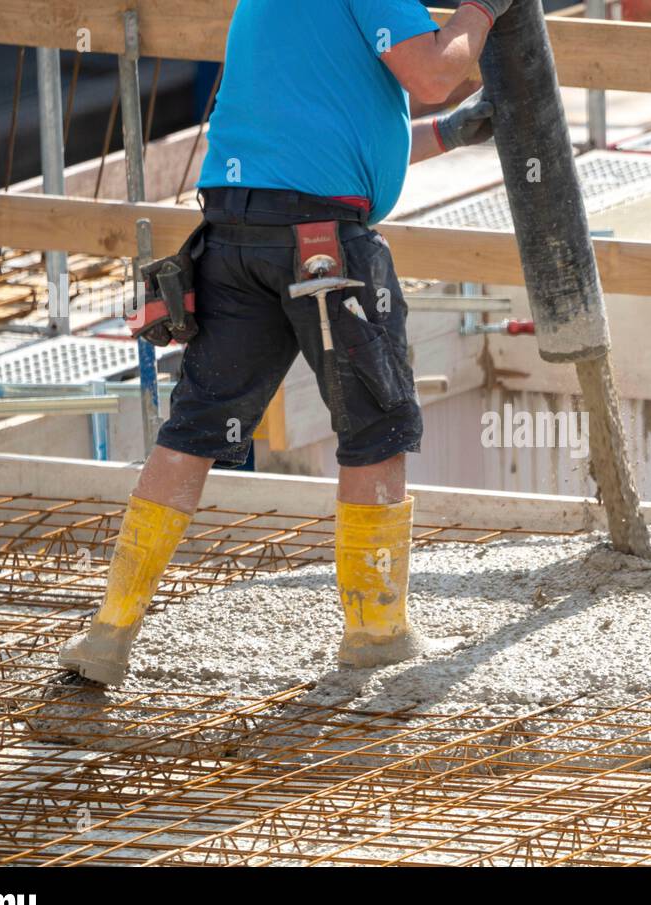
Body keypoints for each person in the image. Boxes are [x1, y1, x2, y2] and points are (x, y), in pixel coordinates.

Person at [58, 0, 512, 684]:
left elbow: (323, 136)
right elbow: (430, 75)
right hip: (321, 244)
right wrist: (478, 13)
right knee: (376, 425)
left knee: (193, 428)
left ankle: (109, 630)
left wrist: (445, 137)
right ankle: (376, 631)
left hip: (234, 237)